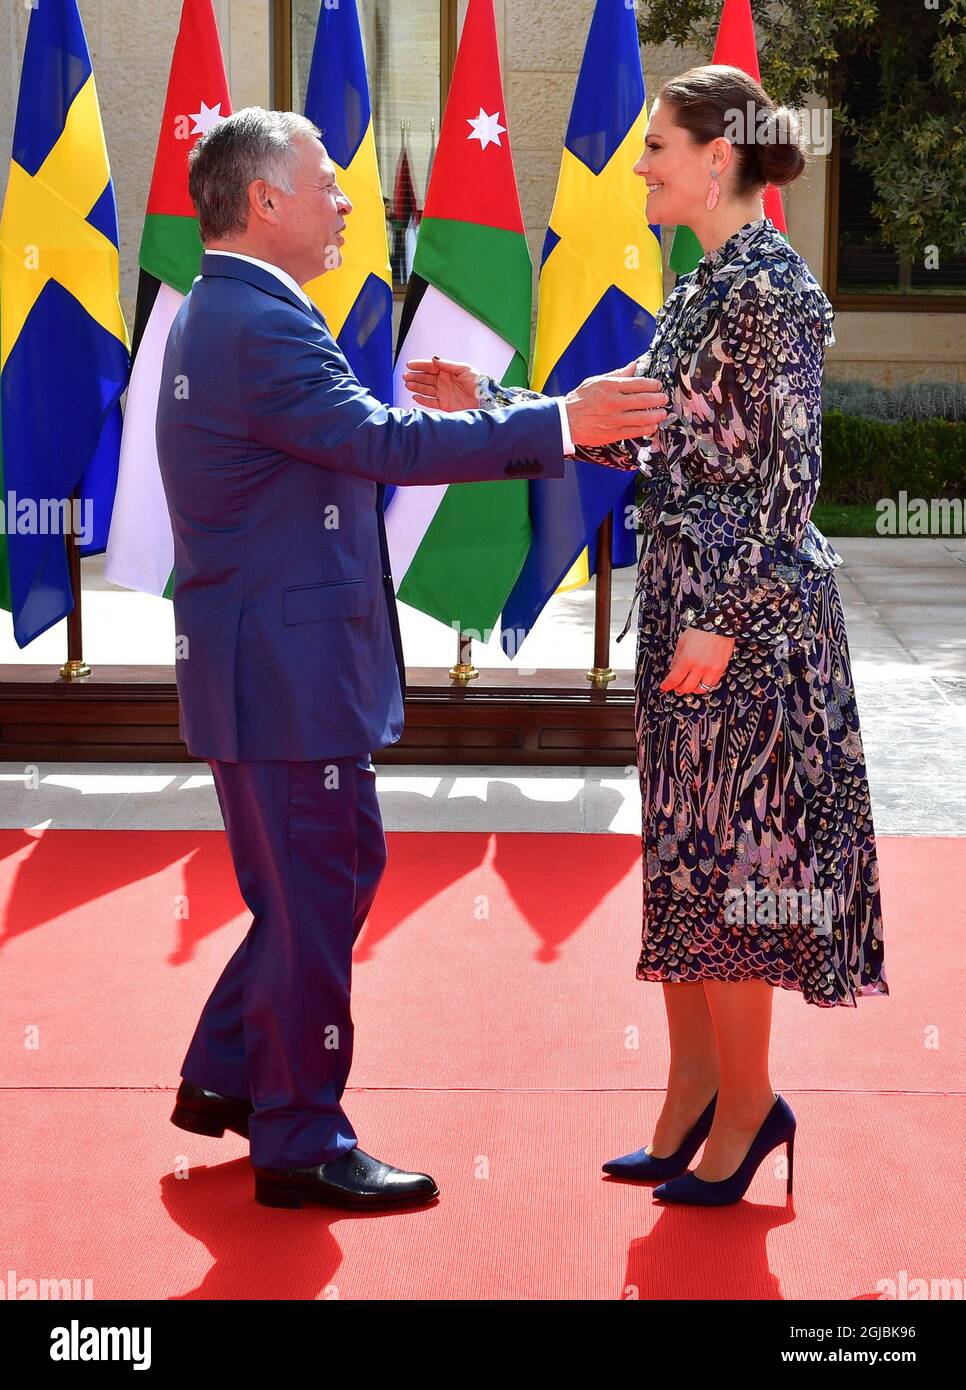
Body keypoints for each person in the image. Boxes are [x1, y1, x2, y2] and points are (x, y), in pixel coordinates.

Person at [157, 107, 669, 1211]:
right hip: (285, 679)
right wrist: (563, 426)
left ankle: (228, 1071)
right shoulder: (258, 322)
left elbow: (345, 437)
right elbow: (379, 446)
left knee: (319, 884)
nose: (349, 201)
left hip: (267, 669)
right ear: (264, 203)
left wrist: (495, 408)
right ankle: (300, 1137)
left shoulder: (229, 311)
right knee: (316, 890)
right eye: (328, 184)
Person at [405, 66, 889, 1209]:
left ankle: (747, 1107)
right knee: (683, 853)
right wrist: (489, 390)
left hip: (747, 621)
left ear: (718, 154)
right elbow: (638, 434)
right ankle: (690, 1097)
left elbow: (787, 480)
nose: (640, 167)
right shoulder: (705, 282)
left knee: (737, 864)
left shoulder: (766, 284)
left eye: (657, 147)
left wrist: (721, 618)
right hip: (686, 601)